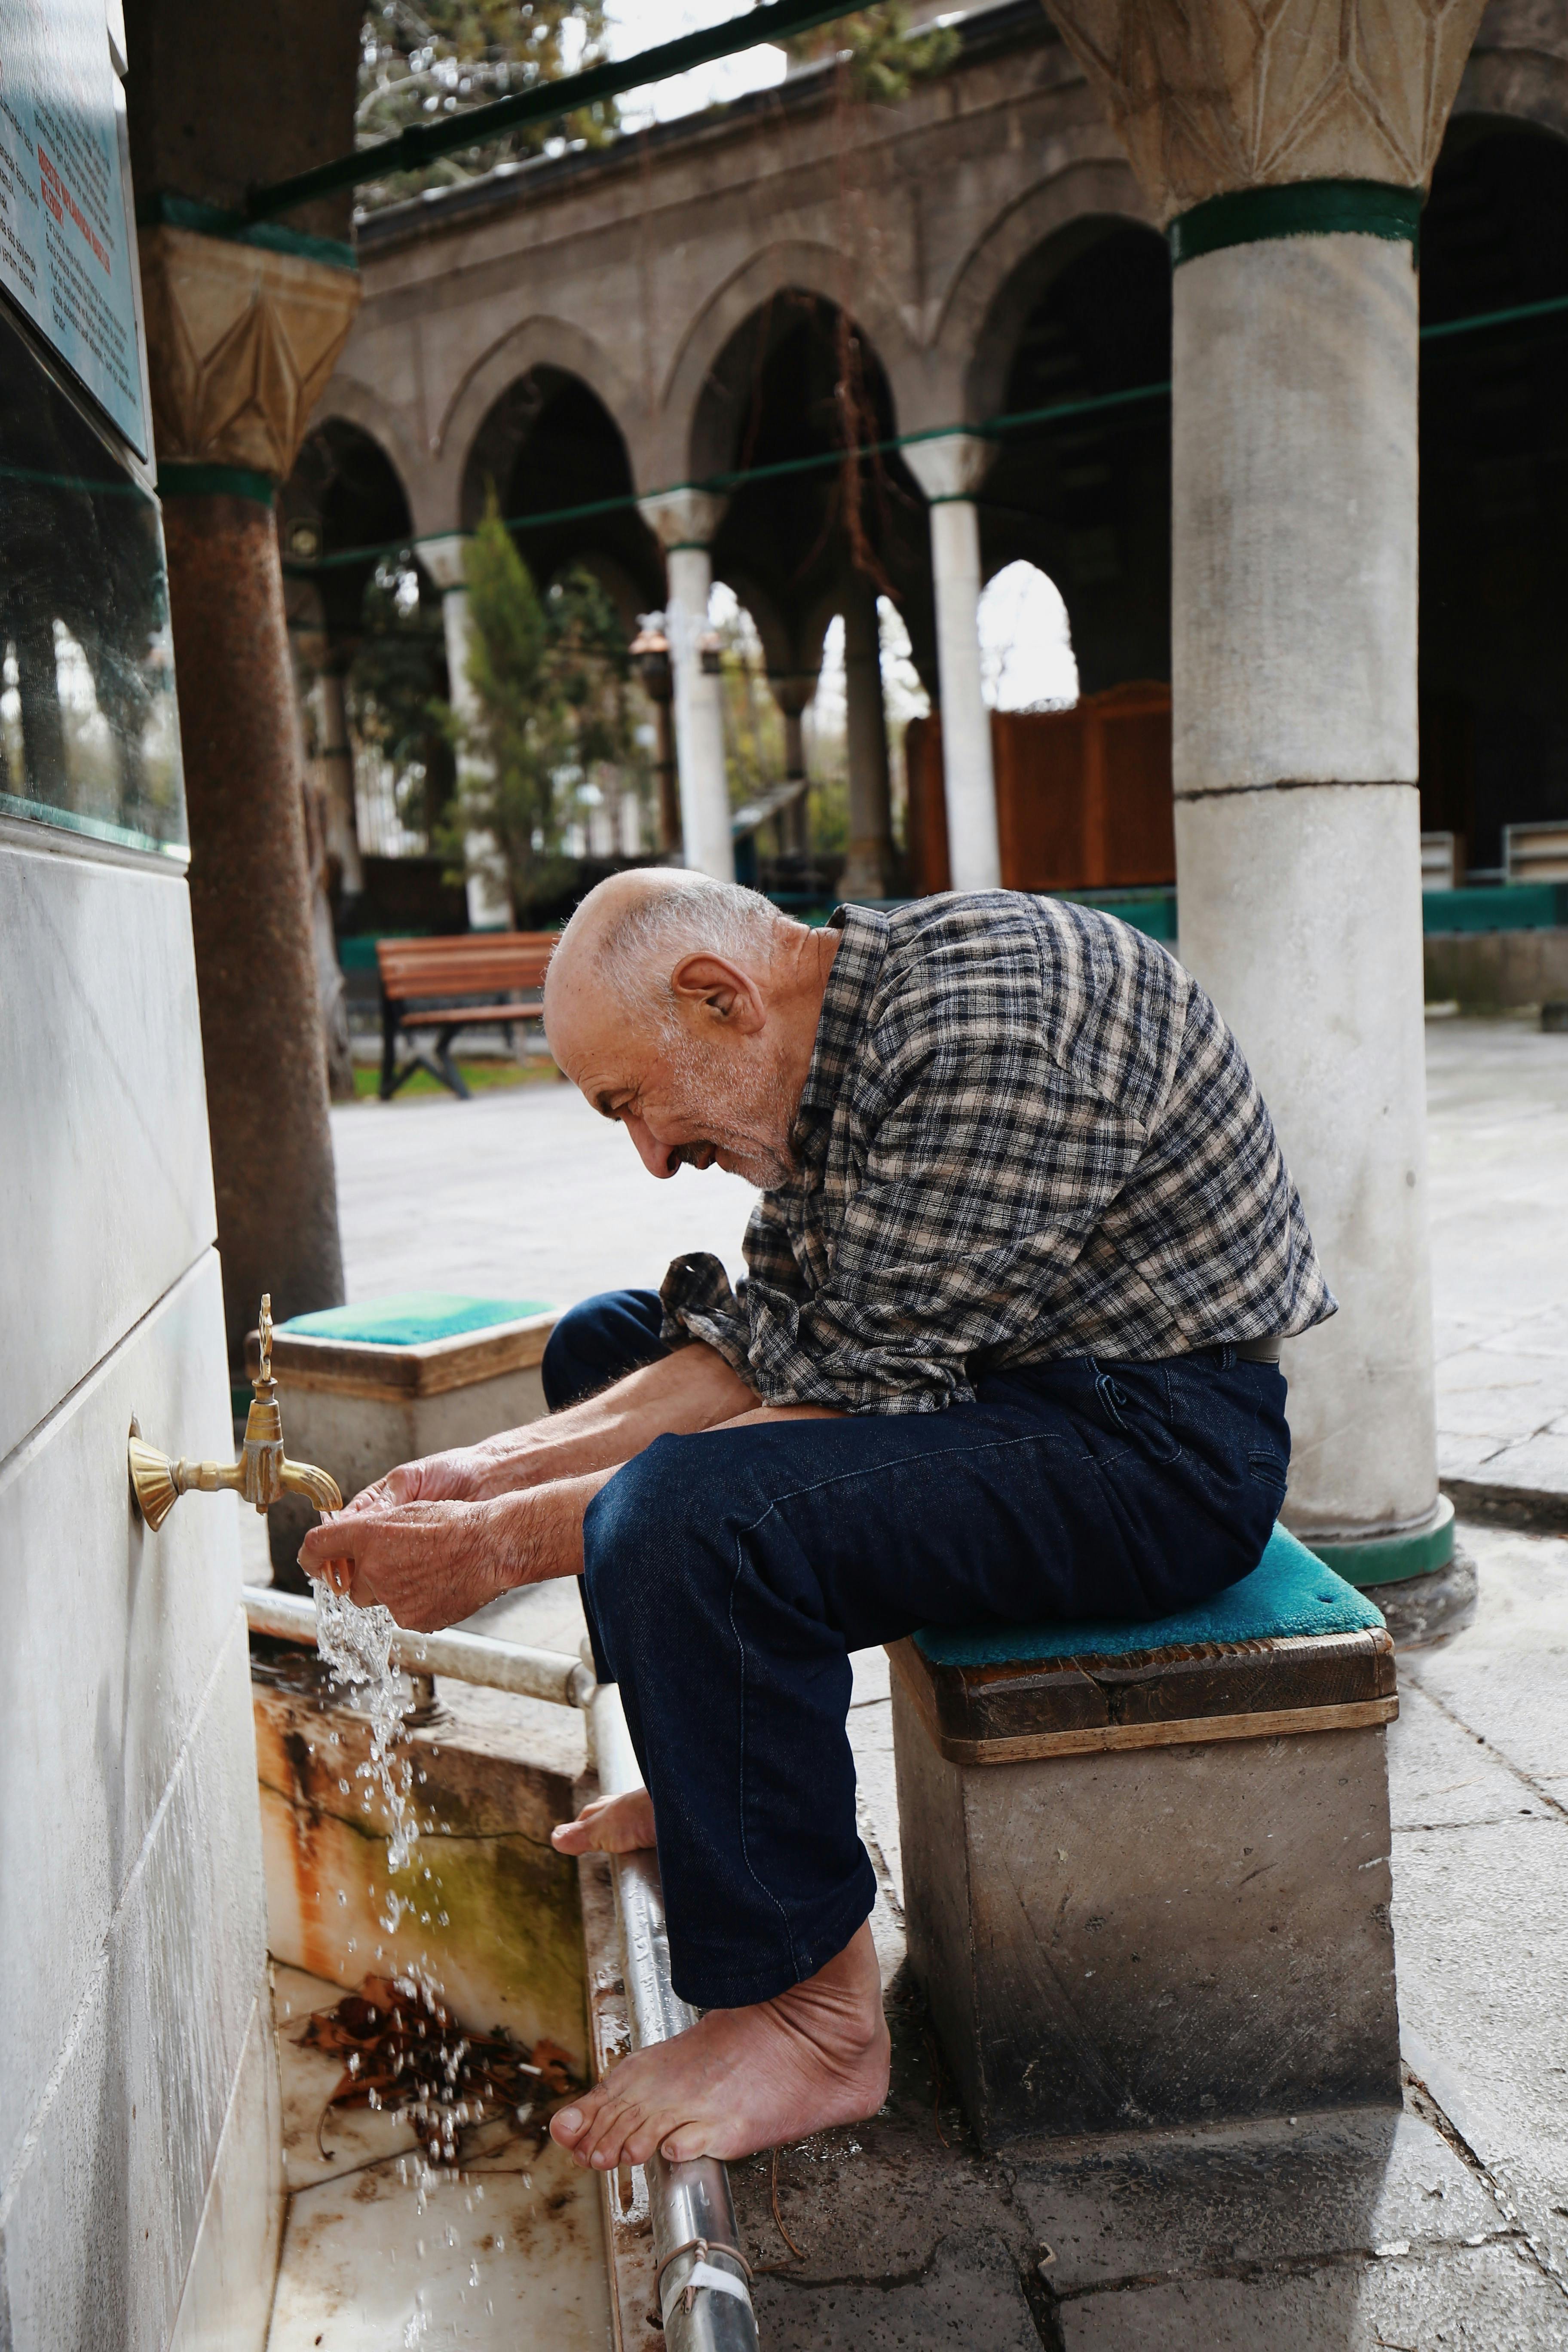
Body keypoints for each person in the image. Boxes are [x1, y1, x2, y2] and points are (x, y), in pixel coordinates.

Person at [300, 870, 1332, 2173]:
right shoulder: (838, 1032)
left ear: (717, 998)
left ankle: (813, 2019)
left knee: (687, 1520)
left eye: (631, 1102)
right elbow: (775, 1346)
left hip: (1156, 1448)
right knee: (606, 1345)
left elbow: (844, 1394)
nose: (652, 1157)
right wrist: (471, 1477)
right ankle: (713, 1791)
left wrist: (495, 1546)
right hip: (1011, 1380)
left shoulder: (986, 1031)